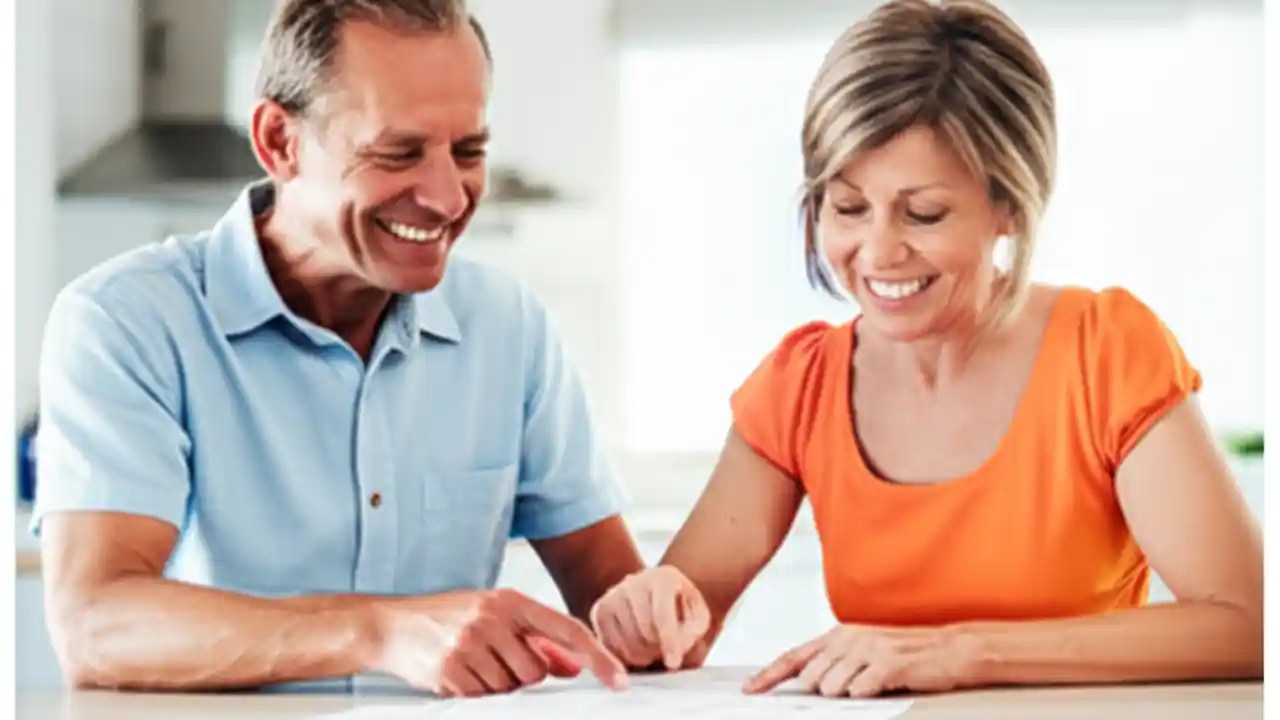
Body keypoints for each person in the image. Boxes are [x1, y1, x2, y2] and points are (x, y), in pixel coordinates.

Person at [589, 0, 1263, 698]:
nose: (878, 251)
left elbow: (1249, 624)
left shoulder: (1106, 354)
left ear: (1010, 204)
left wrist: (962, 653)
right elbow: (682, 623)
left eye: (924, 213)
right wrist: (650, 615)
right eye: (848, 208)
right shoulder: (801, 384)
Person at [35, 0, 639, 698]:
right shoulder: (127, 323)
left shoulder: (508, 326)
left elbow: (613, 605)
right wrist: (379, 631)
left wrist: (658, 613)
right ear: (279, 142)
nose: (448, 197)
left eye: (468, 151)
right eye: (397, 152)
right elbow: (95, 627)